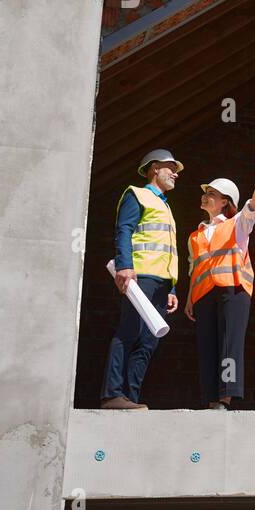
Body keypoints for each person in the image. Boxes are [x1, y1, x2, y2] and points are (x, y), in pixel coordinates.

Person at [187, 149, 255, 409]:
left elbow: (253, 205)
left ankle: (225, 397)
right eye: (206, 193)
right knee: (207, 346)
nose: (206, 196)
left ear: (225, 201)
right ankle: (210, 399)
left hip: (233, 291)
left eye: (211, 194)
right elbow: (194, 269)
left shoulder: (237, 224)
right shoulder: (195, 235)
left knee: (229, 344)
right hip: (203, 295)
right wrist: (190, 298)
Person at [102, 148, 182, 410]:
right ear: (154, 168)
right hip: (140, 276)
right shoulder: (137, 195)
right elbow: (124, 229)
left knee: (148, 342)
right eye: (170, 167)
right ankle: (113, 394)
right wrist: (125, 265)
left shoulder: (164, 205)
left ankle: (130, 398)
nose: (175, 174)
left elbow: (167, 249)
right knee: (129, 331)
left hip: (160, 283)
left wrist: (171, 287)